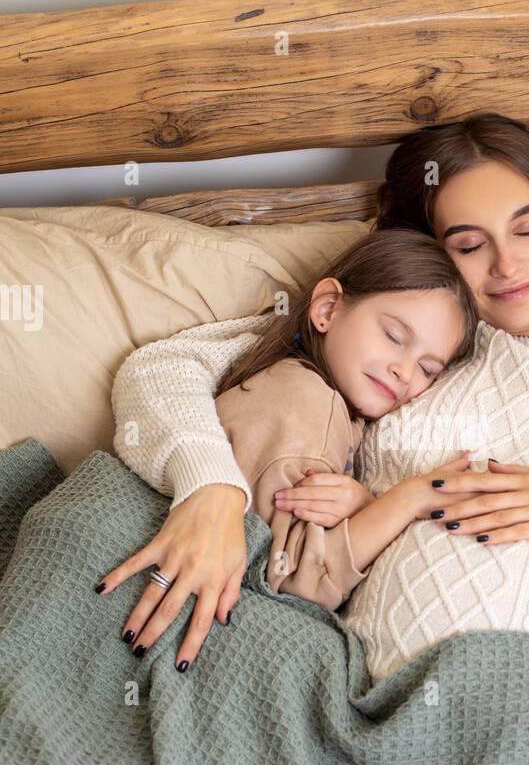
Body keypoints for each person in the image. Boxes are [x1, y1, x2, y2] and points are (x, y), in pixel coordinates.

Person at [98, 114, 529, 678]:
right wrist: (211, 490)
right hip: (395, 713)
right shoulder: (399, 347)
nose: (508, 264)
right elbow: (163, 370)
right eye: (469, 245)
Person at [98, 227, 479, 667]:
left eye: (428, 368)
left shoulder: (298, 380)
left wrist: (361, 503)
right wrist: (407, 499)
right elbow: (299, 583)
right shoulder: (311, 410)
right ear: (328, 308)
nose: (404, 370)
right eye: (394, 336)